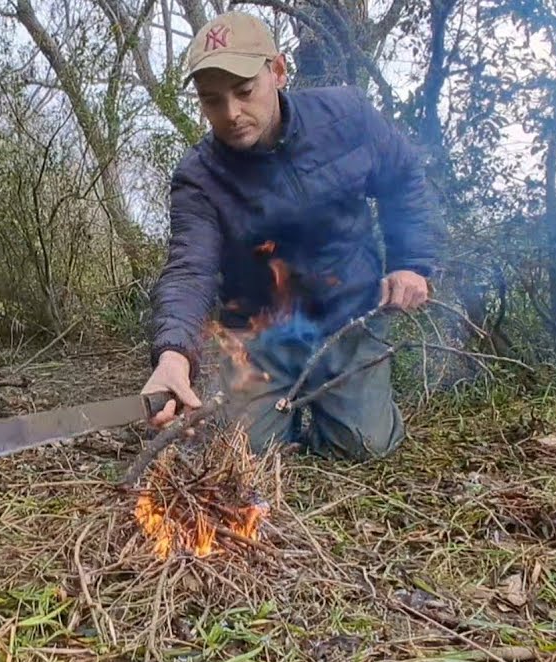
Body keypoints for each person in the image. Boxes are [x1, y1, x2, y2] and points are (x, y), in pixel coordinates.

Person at [140, 10, 446, 460]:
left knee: (365, 445)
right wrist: (173, 355)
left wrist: (410, 263)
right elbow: (190, 269)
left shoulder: (347, 116)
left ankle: (337, 406)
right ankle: (271, 415)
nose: (231, 113)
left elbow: (404, 180)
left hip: (349, 316)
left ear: (278, 71)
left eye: (244, 92)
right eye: (212, 100)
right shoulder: (199, 177)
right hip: (261, 336)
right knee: (239, 452)